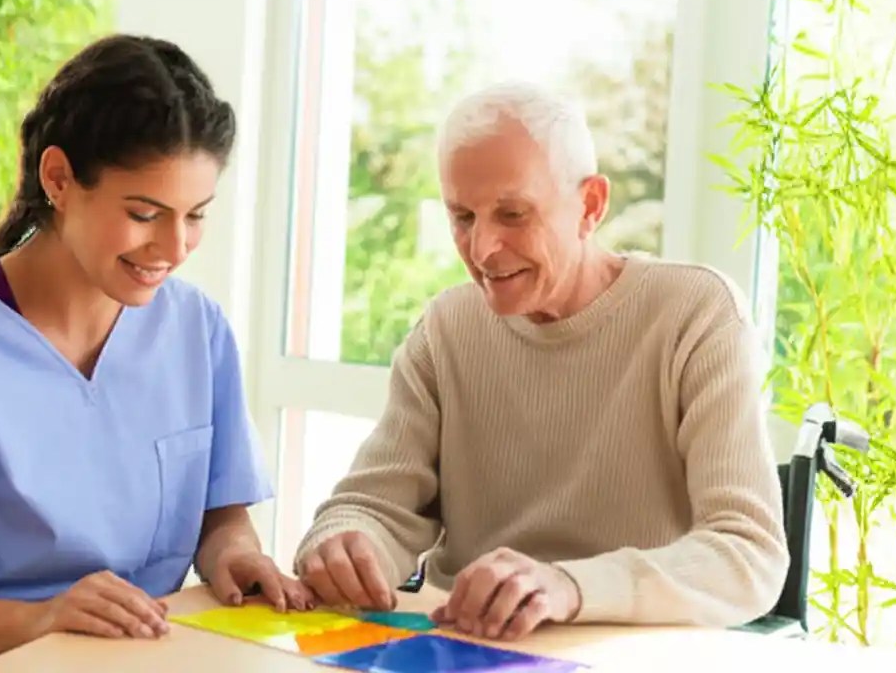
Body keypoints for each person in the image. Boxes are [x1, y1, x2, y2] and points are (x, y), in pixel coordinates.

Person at [0, 34, 310, 672]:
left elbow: (222, 515)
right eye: (145, 213)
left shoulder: (197, 328)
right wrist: (42, 618)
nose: (175, 247)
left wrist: (235, 554)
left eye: (195, 216)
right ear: (58, 179)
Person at [294, 81, 788, 642]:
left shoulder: (695, 314)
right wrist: (344, 542)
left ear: (590, 206)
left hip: (622, 653)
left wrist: (569, 586)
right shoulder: (447, 329)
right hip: (466, 647)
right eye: (463, 217)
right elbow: (373, 506)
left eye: (513, 214)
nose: (482, 249)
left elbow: (748, 555)